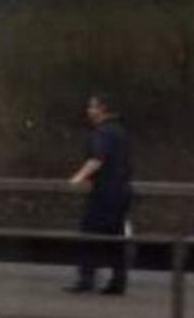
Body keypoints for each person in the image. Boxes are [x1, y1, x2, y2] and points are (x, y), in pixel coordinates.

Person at [64, 93, 133, 295]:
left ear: (103, 109)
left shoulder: (102, 133)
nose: (89, 110)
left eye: (92, 107)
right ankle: (118, 281)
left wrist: (78, 177)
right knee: (116, 236)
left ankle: (87, 278)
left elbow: (97, 159)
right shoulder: (121, 131)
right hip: (122, 191)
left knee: (89, 233)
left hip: (104, 192)